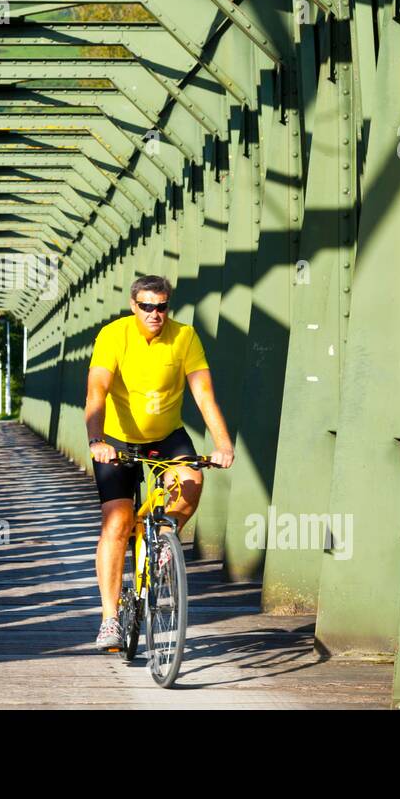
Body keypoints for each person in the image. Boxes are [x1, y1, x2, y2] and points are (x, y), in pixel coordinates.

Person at [85, 274, 235, 652]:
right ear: (134, 305)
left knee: (192, 482)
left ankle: (163, 543)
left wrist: (223, 444)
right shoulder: (113, 335)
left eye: (162, 306)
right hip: (117, 439)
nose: (155, 313)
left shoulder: (184, 337)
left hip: (166, 436)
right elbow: (96, 393)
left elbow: (203, 395)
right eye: (147, 306)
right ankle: (109, 620)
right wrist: (96, 439)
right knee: (117, 520)